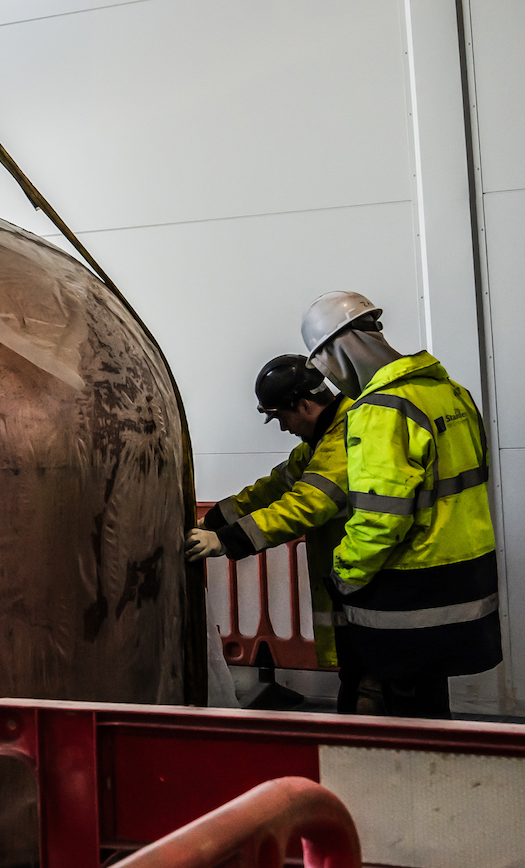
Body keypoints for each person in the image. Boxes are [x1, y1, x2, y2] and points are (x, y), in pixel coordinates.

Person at [298, 290, 500, 717]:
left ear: (336, 351)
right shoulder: (450, 393)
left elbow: (380, 519)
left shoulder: (379, 410)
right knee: (430, 708)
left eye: (325, 366)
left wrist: (343, 573)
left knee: (382, 714)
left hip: (408, 593)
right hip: (467, 580)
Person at [187, 355, 350, 704]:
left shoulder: (344, 441)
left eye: (280, 417)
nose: (282, 428)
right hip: (357, 585)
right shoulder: (320, 444)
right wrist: (212, 521)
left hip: (372, 588)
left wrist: (224, 541)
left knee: (373, 692)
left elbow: (305, 504)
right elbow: (273, 488)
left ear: (304, 405)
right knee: (360, 684)